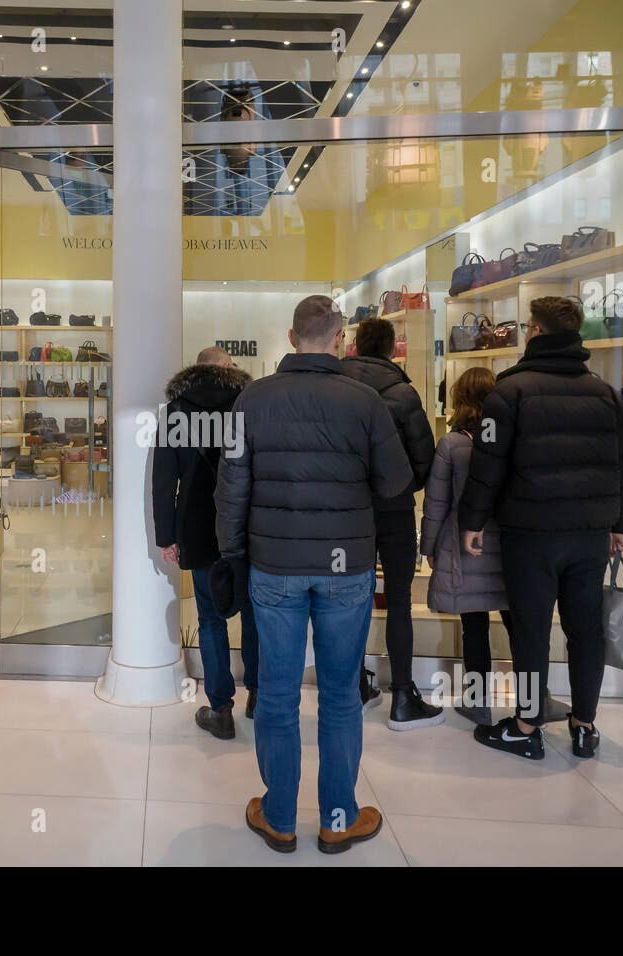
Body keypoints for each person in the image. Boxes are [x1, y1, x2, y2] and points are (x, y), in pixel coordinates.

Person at [216, 295, 410, 854]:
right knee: (340, 695)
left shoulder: (251, 400)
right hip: (345, 567)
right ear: (340, 338)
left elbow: (232, 488)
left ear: (290, 335)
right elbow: (396, 483)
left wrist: (233, 554)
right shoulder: (366, 401)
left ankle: (278, 817)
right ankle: (337, 819)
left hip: (274, 567)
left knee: (276, 695)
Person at [458, 296, 623, 760]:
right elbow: (622, 464)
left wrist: (472, 521)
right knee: (585, 629)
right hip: (588, 534)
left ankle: (527, 725)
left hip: (530, 531)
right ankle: (584, 725)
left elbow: (488, 463)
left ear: (535, 332)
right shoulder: (605, 394)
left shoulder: (509, 392)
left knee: (532, 630)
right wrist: (621, 523)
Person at [152, 346, 257, 740]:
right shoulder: (247, 404)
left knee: (211, 619)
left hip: (196, 525)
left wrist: (166, 535)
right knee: (252, 613)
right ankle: (259, 696)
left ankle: (221, 709)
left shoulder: (177, 411)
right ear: (228, 369)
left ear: (196, 370)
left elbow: (164, 479)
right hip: (245, 522)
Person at [340, 317, 439, 729]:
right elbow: (425, 460)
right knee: (398, 600)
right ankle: (402, 696)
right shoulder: (403, 393)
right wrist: (399, 488)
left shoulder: (338, 389)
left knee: (350, 599)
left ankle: (355, 688)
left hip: (349, 512)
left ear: (356, 345)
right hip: (395, 511)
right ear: (391, 348)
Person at [419, 367, 513, 726]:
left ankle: (478, 702)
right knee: (518, 624)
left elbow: (436, 502)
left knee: (475, 627)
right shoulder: (510, 438)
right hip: (507, 548)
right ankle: (534, 700)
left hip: (466, 547)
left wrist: (429, 546)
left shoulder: (452, 444)